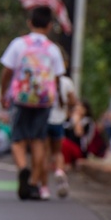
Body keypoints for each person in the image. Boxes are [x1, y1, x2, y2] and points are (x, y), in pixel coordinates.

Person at [0, 5, 66, 201]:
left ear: (30, 23)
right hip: (44, 101)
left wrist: (4, 93)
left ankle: (22, 169)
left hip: (21, 98)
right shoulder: (53, 50)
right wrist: (59, 100)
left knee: (18, 140)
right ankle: (34, 183)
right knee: (38, 141)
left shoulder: (19, 44)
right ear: (49, 26)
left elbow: (7, 71)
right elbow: (57, 78)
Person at [46, 50, 77, 198]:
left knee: (44, 153)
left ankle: (43, 186)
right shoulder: (67, 82)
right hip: (59, 122)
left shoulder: (44, 80)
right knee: (58, 152)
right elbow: (73, 101)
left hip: (44, 121)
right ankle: (59, 172)